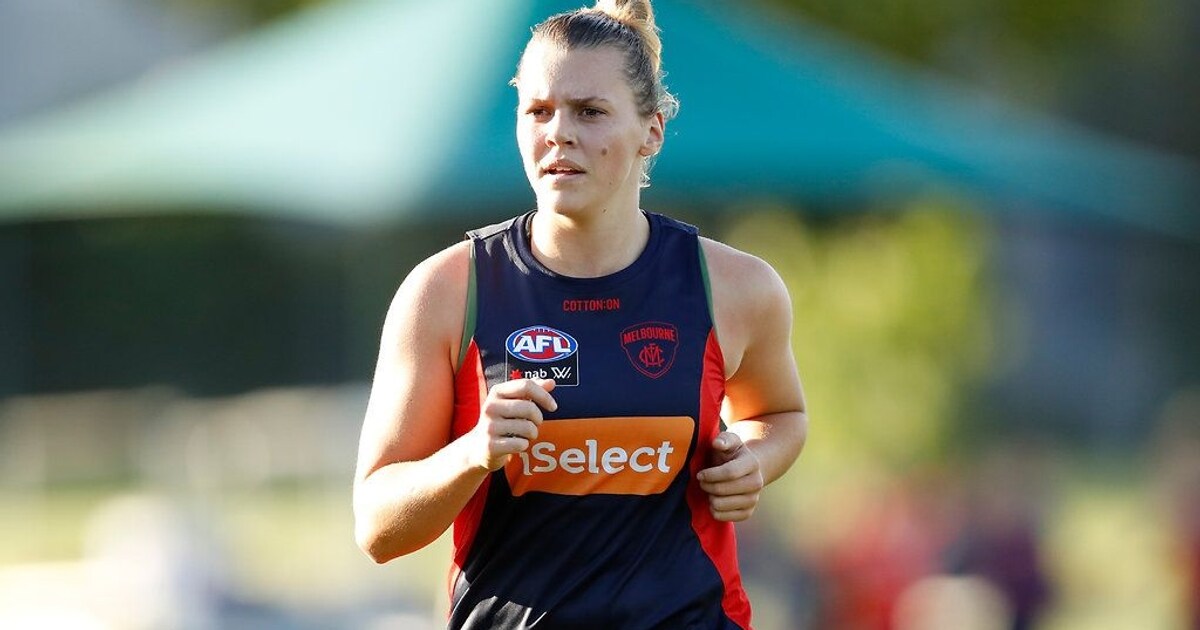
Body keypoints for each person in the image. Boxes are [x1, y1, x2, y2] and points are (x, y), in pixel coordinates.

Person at [352, 1, 807, 627]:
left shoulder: (734, 287)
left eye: (590, 112)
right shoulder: (448, 291)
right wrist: (471, 454)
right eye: (539, 111)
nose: (559, 133)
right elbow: (377, 528)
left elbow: (780, 415)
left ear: (652, 131)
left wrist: (752, 461)